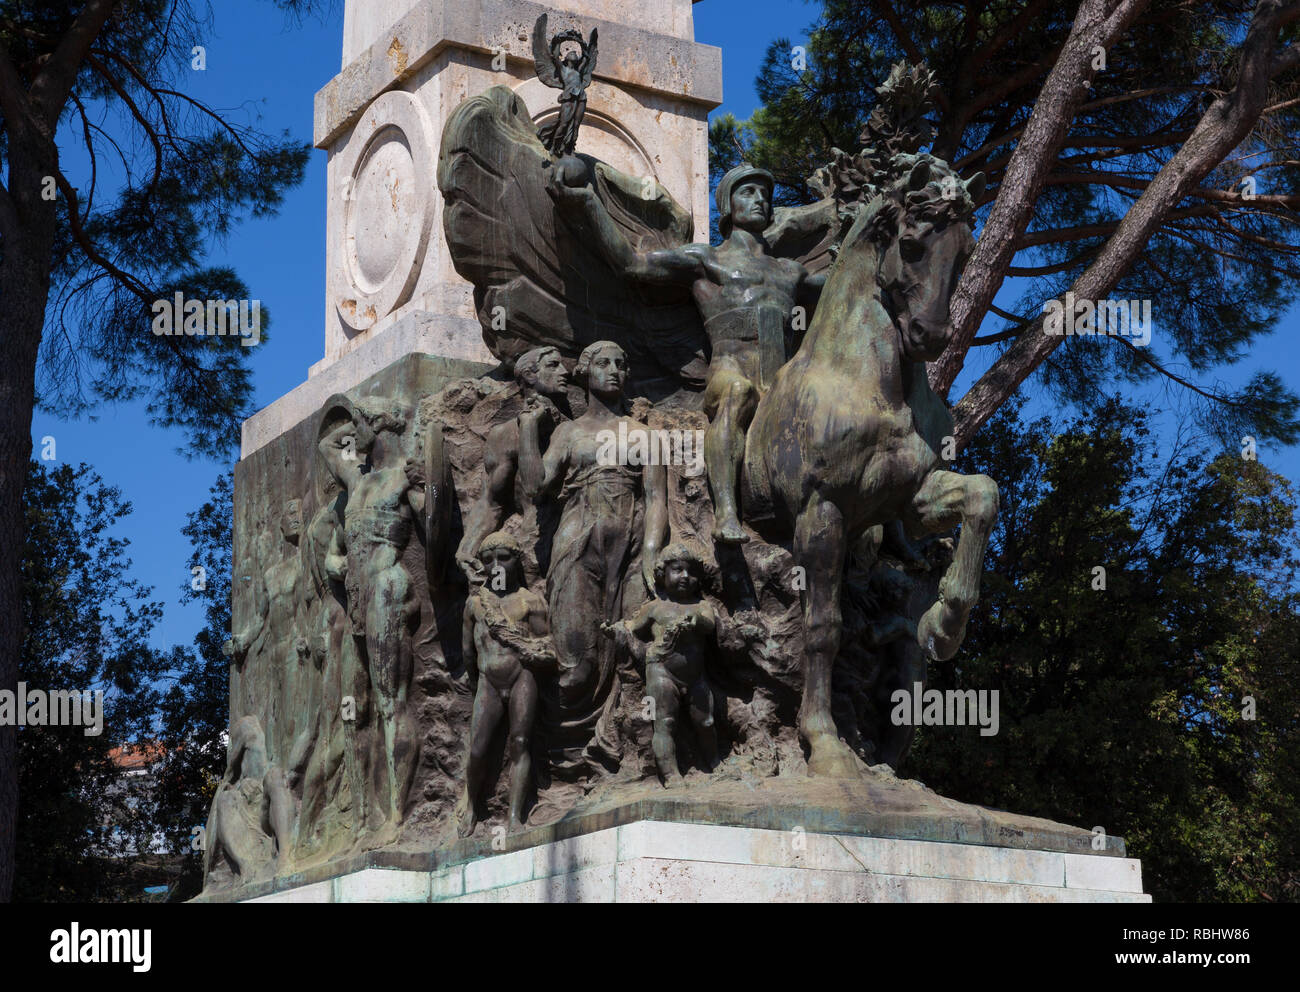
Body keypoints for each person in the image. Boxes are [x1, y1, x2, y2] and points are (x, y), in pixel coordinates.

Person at [547, 162, 827, 544]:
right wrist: (588, 205)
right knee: (737, 393)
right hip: (730, 371)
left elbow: (847, 288)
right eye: (748, 192)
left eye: (765, 193)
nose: (760, 199)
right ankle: (726, 513)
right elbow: (632, 264)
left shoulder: (791, 271)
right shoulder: (706, 260)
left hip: (782, 377)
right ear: (727, 205)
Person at [519, 340, 668, 772]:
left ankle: (627, 749)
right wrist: (529, 429)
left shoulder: (644, 435)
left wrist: (652, 553)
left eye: (622, 364)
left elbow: (657, 499)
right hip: (576, 545)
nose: (614, 371)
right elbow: (536, 486)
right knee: (576, 664)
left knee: (634, 650)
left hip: (633, 546)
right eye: (603, 362)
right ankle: (565, 755)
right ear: (584, 372)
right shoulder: (568, 433)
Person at [456, 532, 556, 836]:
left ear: (517, 561)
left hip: (522, 675)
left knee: (520, 742)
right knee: (477, 749)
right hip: (488, 679)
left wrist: (538, 653)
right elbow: (467, 653)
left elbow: (547, 644)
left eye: (504, 558)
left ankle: (515, 816)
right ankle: (471, 804)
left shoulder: (531, 602)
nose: (496, 565)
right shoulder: (475, 606)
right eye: (488, 560)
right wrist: (478, 682)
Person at [604, 542, 718, 786]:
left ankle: (715, 763)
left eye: (691, 571)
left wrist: (694, 620)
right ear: (662, 574)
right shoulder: (654, 608)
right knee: (665, 723)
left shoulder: (701, 606)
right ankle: (670, 775)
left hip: (696, 676)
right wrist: (615, 632)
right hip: (661, 671)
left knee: (706, 721)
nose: (685, 576)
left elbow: (709, 625)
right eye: (677, 570)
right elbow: (632, 628)